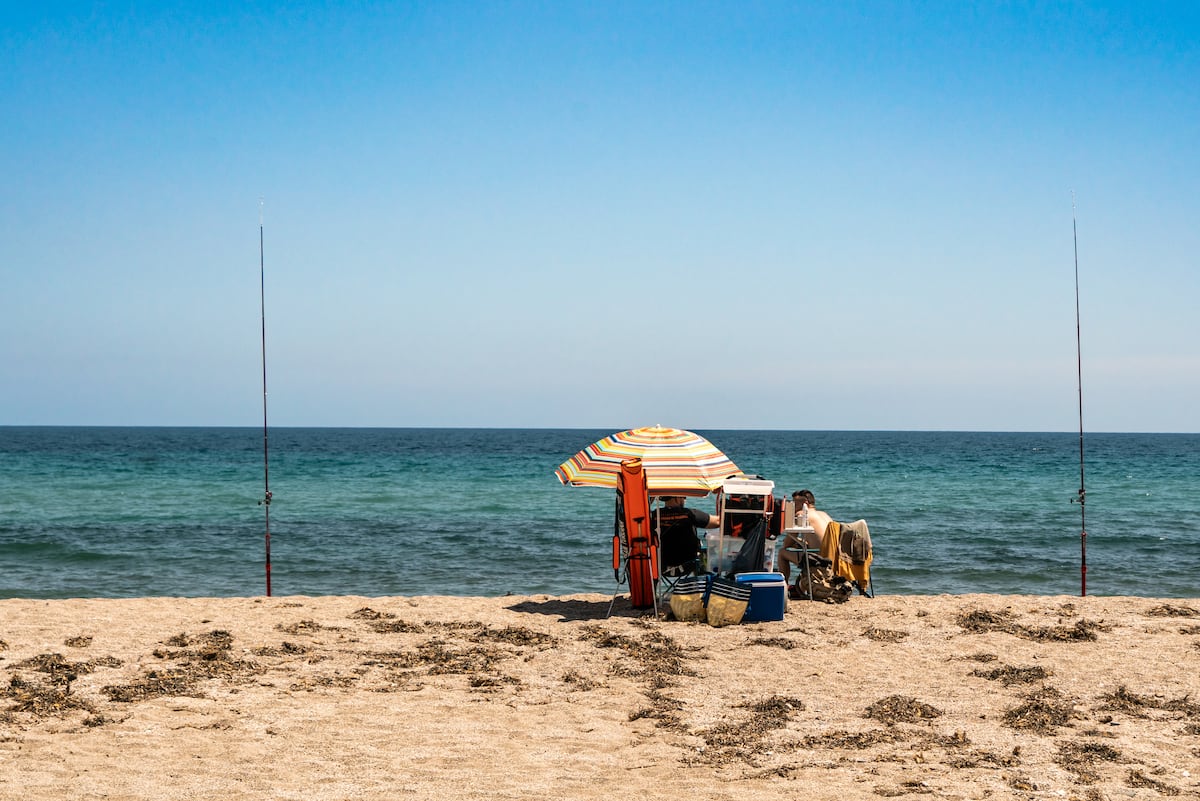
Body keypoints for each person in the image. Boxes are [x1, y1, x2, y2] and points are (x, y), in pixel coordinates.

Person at [652, 496, 719, 575]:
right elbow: (718, 522)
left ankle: (652, 586)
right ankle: (700, 583)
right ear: (676, 498)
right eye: (684, 498)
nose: (685, 501)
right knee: (705, 552)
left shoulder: (654, 516)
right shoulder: (689, 514)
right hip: (688, 566)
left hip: (660, 568)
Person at [777, 489, 833, 583]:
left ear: (805, 503)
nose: (793, 506)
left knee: (782, 552)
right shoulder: (824, 514)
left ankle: (784, 586)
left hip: (819, 559)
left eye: (795, 503)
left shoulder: (801, 514)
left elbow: (787, 544)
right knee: (802, 547)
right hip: (833, 556)